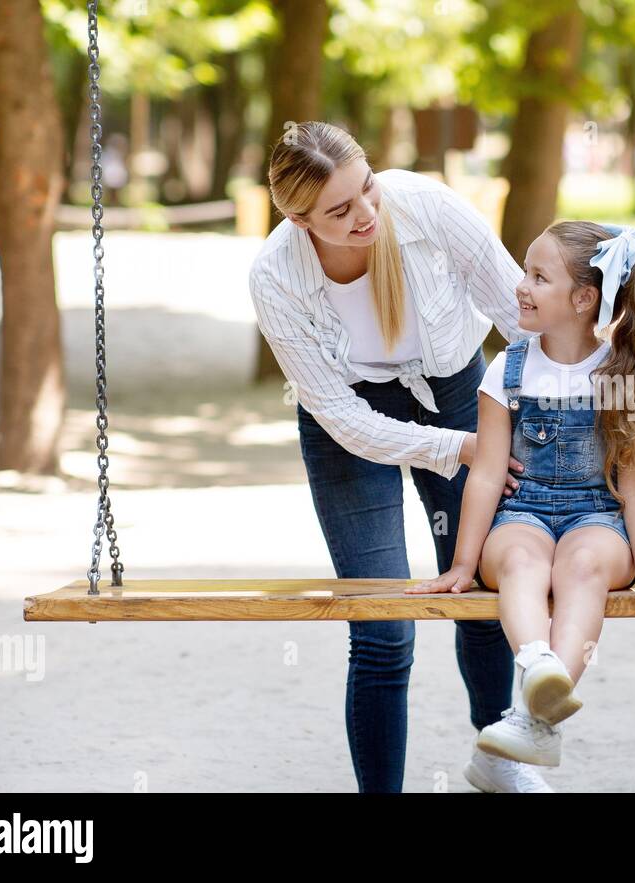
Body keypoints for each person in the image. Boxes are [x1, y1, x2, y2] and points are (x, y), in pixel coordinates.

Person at [248, 120, 552, 793]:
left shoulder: (426, 206)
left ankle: (498, 758)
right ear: (300, 221)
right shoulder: (274, 276)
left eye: (367, 190)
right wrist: (462, 449)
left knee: (480, 585)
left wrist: (556, 412)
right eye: (339, 209)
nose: (365, 215)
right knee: (384, 625)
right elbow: (347, 420)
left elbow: (518, 311)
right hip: (348, 423)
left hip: (452, 386)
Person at [408, 220, 635, 770]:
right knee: (522, 560)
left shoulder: (619, 373)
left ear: (584, 298)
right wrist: (464, 563)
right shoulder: (509, 367)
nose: (521, 285)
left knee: (585, 565)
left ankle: (532, 720)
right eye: (526, 272)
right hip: (521, 515)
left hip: (597, 518)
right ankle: (539, 664)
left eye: (538, 276)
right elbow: (488, 474)